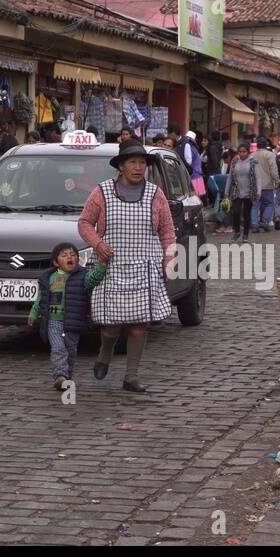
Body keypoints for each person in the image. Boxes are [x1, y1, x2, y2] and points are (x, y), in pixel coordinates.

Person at [78, 139, 176, 393]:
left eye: (142, 162)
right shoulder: (101, 192)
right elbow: (84, 223)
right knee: (112, 325)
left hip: (145, 267)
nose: (138, 167)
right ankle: (105, 352)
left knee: (139, 324)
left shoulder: (156, 195)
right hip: (111, 266)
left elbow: (167, 230)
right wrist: (98, 244)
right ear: (121, 166)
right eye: (132, 162)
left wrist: (169, 261)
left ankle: (131, 376)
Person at [27, 243, 108, 391]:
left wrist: (102, 266)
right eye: (64, 255)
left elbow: (94, 279)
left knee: (71, 350)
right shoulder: (50, 278)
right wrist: (34, 313)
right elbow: (41, 298)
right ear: (56, 262)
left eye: (73, 255)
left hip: (73, 322)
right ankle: (60, 375)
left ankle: (67, 376)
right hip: (54, 321)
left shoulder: (82, 276)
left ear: (78, 259)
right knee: (58, 347)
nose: (69, 257)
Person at [224, 142, 261, 243]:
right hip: (236, 190)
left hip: (249, 191)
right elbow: (230, 177)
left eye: (244, 152)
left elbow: (258, 177)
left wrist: (258, 191)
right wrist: (226, 191)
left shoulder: (253, 162)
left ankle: (245, 235)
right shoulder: (235, 162)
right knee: (236, 212)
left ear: (248, 152)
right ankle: (236, 231)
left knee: (246, 214)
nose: (242, 154)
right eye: (240, 152)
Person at [251, 136, 280, 232]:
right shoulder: (270, 155)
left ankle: (254, 225)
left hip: (255, 185)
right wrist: (277, 180)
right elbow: (273, 169)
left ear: (257, 145)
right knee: (269, 204)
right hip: (267, 184)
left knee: (255, 205)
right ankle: (265, 221)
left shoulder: (252, 155)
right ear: (266, 145)